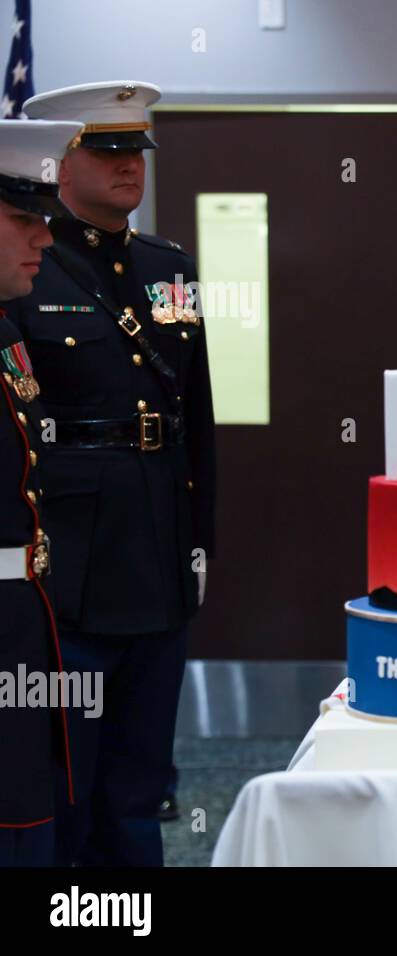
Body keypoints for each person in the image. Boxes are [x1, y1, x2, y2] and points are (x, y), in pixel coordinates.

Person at [6, 80, 217, 866]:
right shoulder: (29, 263)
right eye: (108, 150)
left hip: (156, 554)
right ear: (64, 162)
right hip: (69, 567)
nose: (129, 166)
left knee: (140, 786)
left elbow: (196, 416)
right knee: (69, 783)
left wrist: (201, 540)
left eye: (137, 150)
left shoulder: (168, 267)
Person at [0, 119, 84, 868]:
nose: (45, 241)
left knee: (30, 822)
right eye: (26, 221)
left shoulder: (5, 332)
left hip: (23, 612)